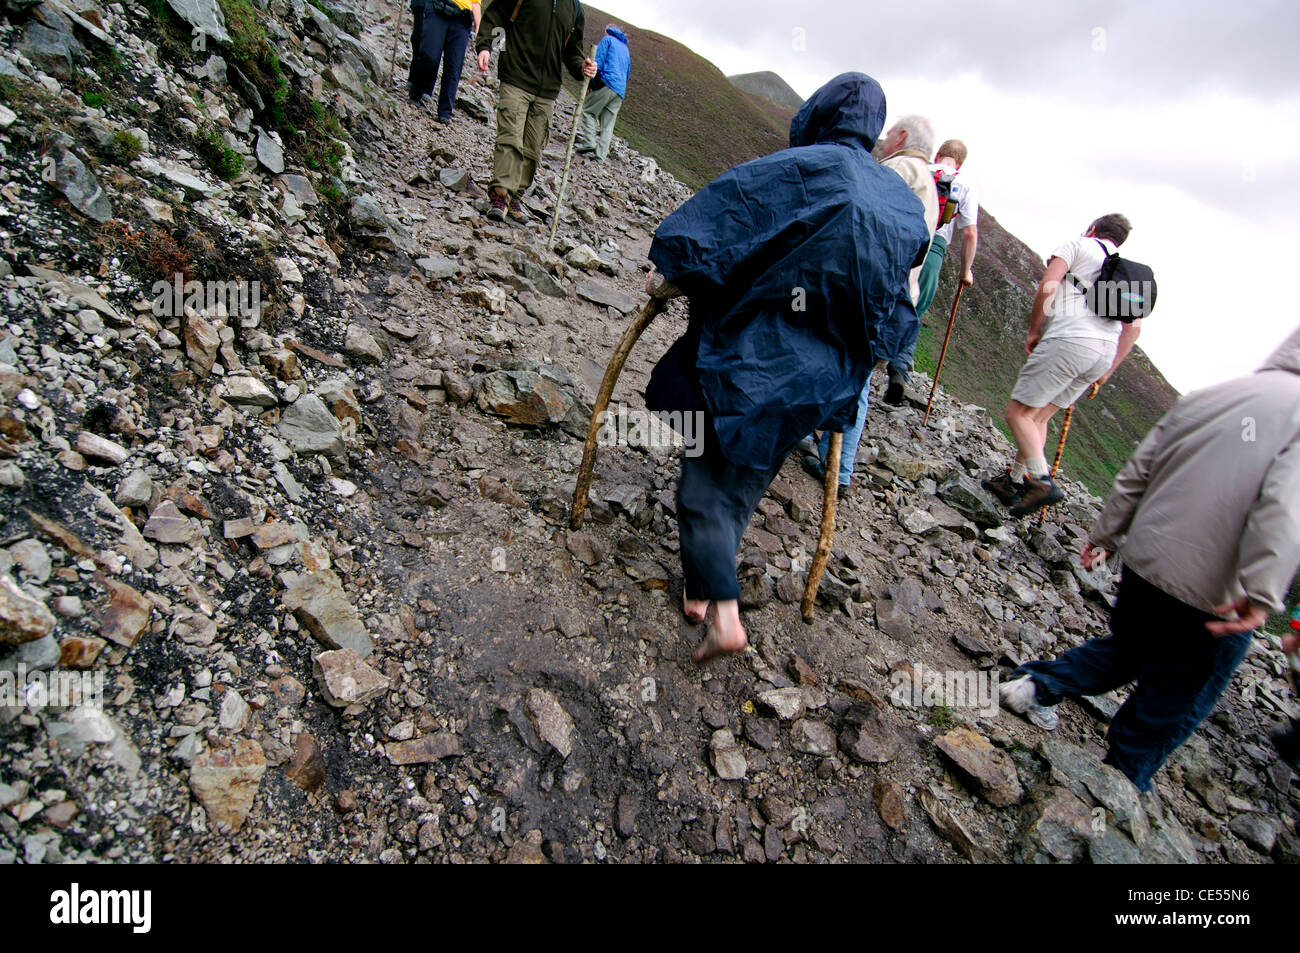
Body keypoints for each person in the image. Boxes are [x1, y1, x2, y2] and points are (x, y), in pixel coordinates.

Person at [643, 74, 930, 662]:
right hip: (821, 379)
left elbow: (721, 228)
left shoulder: (798, 169)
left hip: (748, 356)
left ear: (821, 111)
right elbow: (897, 310)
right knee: (749, 473)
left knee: (703, 481)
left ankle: (722, 614)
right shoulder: (901, 207)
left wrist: (670, 275)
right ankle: (701, 588)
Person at [1001, 324, 1300, 793]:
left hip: (1147, 564)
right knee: (1171, 704)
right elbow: (1284, 504)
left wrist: (1106, 534)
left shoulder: (1212, 395)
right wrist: (1261, 592)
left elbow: (1140, 468)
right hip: (1216, 594)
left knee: (1127, 650)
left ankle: (1034, 685)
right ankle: (1113, 792)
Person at [806, 114, 937, 494]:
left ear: (903, 135)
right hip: (894, 297)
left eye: (891, 131)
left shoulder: (900, 169)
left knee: (851, 374)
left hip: (871, 290)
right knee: (855, 372)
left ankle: (838, 467)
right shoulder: (926, 180)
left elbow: (868, 220)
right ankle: (835, 460)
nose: (883, 138)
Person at [982, 213, 1142, 516]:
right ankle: (1013, 481)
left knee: (1017, 413)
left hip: (1070, 340)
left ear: (1092, 229)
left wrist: (1034, 330)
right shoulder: (1124, 272)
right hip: (1103, 352)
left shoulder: (1079, 245)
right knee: (1038, 417)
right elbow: (1133, 328)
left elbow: (1048, 286)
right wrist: (1106, 372)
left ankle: (1041, 482)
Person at [475, 0, 596, 225]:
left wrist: (582, 67)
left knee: (533, 149)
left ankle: (515, 197)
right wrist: (485, 46)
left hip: (547, 90)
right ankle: (501, 196)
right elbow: (496, 15)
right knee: (510, 138)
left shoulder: (574, 8)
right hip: (515, 76)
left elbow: (572, 51)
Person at [884, 138, 979, 405]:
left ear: (939, 153)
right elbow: (970, 232)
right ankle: (899, 369)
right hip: (934, 248)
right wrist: (966, 272)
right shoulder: (967, 184)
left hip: (905, 237)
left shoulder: (922, 167)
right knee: (913, 308)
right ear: (961, 163)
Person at [411, 0, 481, 122]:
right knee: (429, 55)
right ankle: (416, 91)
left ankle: (445, 112)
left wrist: (479, 26)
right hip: (437, 8)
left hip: (462, 19)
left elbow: (475, 2)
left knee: (454, 66)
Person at [575, 24, 629, 163]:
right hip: (620, 90)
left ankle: (589, 142)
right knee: (608, 124)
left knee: (588, 111)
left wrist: (591, 84)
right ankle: (600, 157)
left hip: (607, 82)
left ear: (607, 32)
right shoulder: (625, 49)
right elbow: (627, 73)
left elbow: (597, 63)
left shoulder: (607, 40)